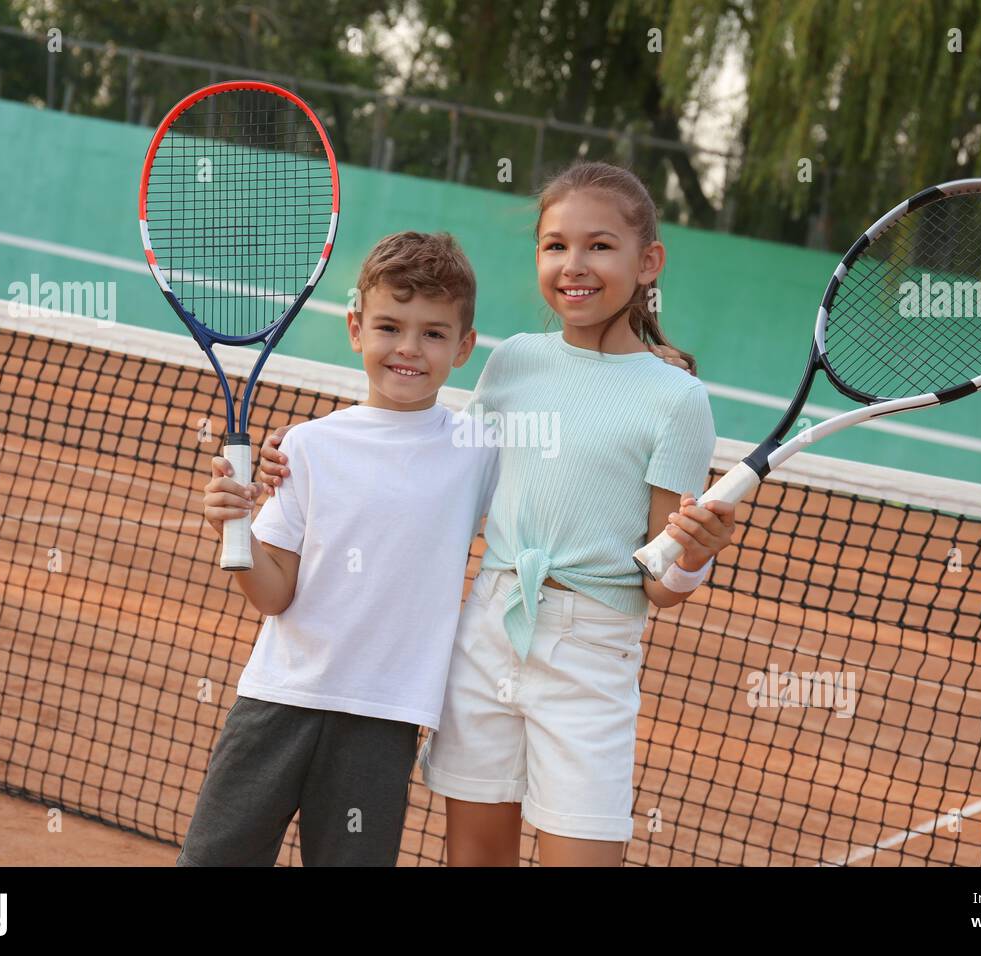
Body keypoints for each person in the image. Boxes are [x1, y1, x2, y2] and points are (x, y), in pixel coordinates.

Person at [260, 161, 737, 866]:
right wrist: (301, 452)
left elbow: (657, 584)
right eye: (555, 245)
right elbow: (441, 462)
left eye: (600, 246)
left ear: (649, 262)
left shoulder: (678, 400)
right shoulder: (512, 361)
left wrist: (694, 557)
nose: (574, 265)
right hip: (488, 633)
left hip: (592, 655)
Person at [177, 231, 498, 866]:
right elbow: (274, 594)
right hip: (276, 702)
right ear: (355, 329)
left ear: (463, 348)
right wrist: (231, 531)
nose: (408, 349)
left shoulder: (479, 448)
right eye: (389, 326)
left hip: (383, 721)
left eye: (433, 334)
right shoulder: (305, 447)